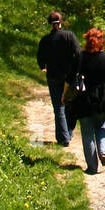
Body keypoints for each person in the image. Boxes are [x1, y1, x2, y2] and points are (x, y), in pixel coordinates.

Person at [64, 28, 105, 175]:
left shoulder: (80, 57)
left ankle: (92, 167)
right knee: (101, 127)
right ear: (102, 42)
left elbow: (69, 78)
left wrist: (65, 95)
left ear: (86, 40)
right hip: (102, 99)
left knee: (87, 132)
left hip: (83, 100)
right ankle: (104, 152)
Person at [36, 11, 79, 146]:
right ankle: (69, 133)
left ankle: (63, 138)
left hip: (53, 76)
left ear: (50, 24)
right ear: (61, 23)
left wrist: (43, 66)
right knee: (69, 104)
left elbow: (40, 56)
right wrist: (76, 68)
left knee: (58, 107)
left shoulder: (45, 40)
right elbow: (78, 53)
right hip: (69, 75)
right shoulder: (69, 36)